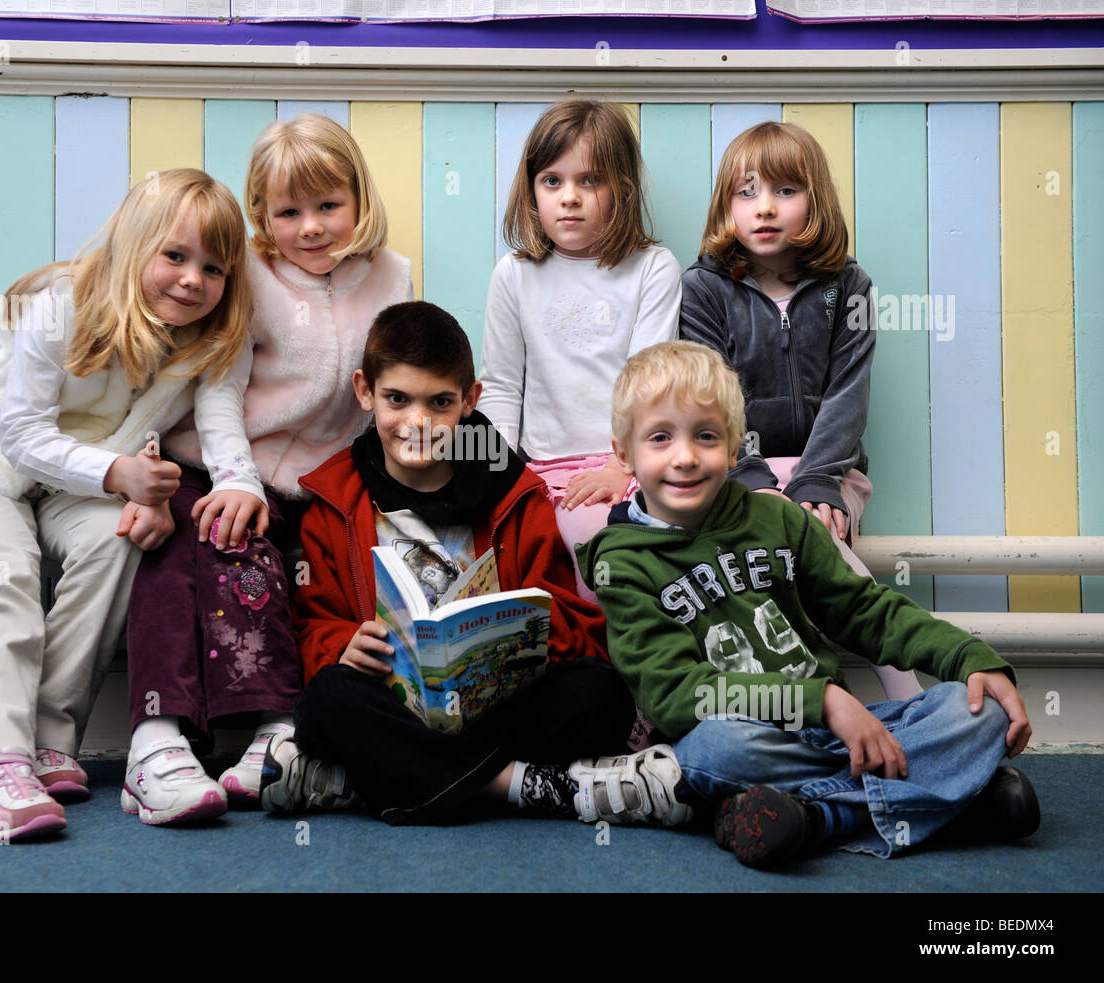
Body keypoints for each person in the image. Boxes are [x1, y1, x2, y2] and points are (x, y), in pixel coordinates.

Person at [578, 341, 1039, 868]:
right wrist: (822, 701)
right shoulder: (622, 562)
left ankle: (817, 817)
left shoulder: (779, 520)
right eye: (660, 438)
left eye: (705, 436)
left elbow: (867, 611)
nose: (684, 456)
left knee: (976, 710)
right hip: (751, 743)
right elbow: (675, 696)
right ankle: (953, 799)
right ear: (624, 454)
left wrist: (968, 656)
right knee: (714, 750)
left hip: (837, 737)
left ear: (733, 449)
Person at [0, 168, 250, 840]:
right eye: (175, 257)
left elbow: (221, 423)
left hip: (80, 485)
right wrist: (121, 472)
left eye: (213, 269)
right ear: (133, 248)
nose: (192, 280)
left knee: (116, 542)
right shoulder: (65, 304)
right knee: (6, 579)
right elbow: (20, 433)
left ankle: (46, 738)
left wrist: (238, 482)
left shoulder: (206, 340)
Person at [262, 301, 686, 829]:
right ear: (364, 391)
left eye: (440, 402)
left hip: (498, 705)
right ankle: (528, 787)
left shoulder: (515, 491)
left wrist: (522, 638)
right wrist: (342, 646)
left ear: (470, 400)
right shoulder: (334, 499)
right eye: (397, 399)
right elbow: (312, 626)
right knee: (325, 703)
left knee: (601, 696)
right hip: (394, 701)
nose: (418, 422)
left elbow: (577, 623)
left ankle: (365, 780)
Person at [120, 114, 413, 824]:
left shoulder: (392, 275)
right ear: (261, 216)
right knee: (205, 544)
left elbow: (387, 389)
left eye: (327, 207)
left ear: (359, 200)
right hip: (220, 460)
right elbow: (219, 385)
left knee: (319, 571)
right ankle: (159, 736)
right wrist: (236, 480)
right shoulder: (250, 273)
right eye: (289, 212)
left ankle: (277, 728)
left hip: (322, 480)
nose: (310, 227)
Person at [680, 120, 920, 701]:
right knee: (763, 562)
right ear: (726, 205)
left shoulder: (849, 286)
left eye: (785, 191)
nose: (764, 208)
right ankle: (798, 708)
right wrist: (751, 479)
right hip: (737, 475)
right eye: (748, 192)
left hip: (829, 472)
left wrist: (816, 478)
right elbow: (714, 400)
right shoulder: (704, 289)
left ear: (815, 200)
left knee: (819, 542)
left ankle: (911, 698)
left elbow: (848, 393)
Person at [479, 99, 681, 590]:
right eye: (552, 181)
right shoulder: (515, 275)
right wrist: (497, 476)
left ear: (622, 190)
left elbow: (649, 385)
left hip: (626, 465)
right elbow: (502, 387)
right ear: (531, 192)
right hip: (542, 469)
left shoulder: (653, 268)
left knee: (608, 559)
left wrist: (619, 467)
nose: (568, 197)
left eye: (589, 180)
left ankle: (622, 661)